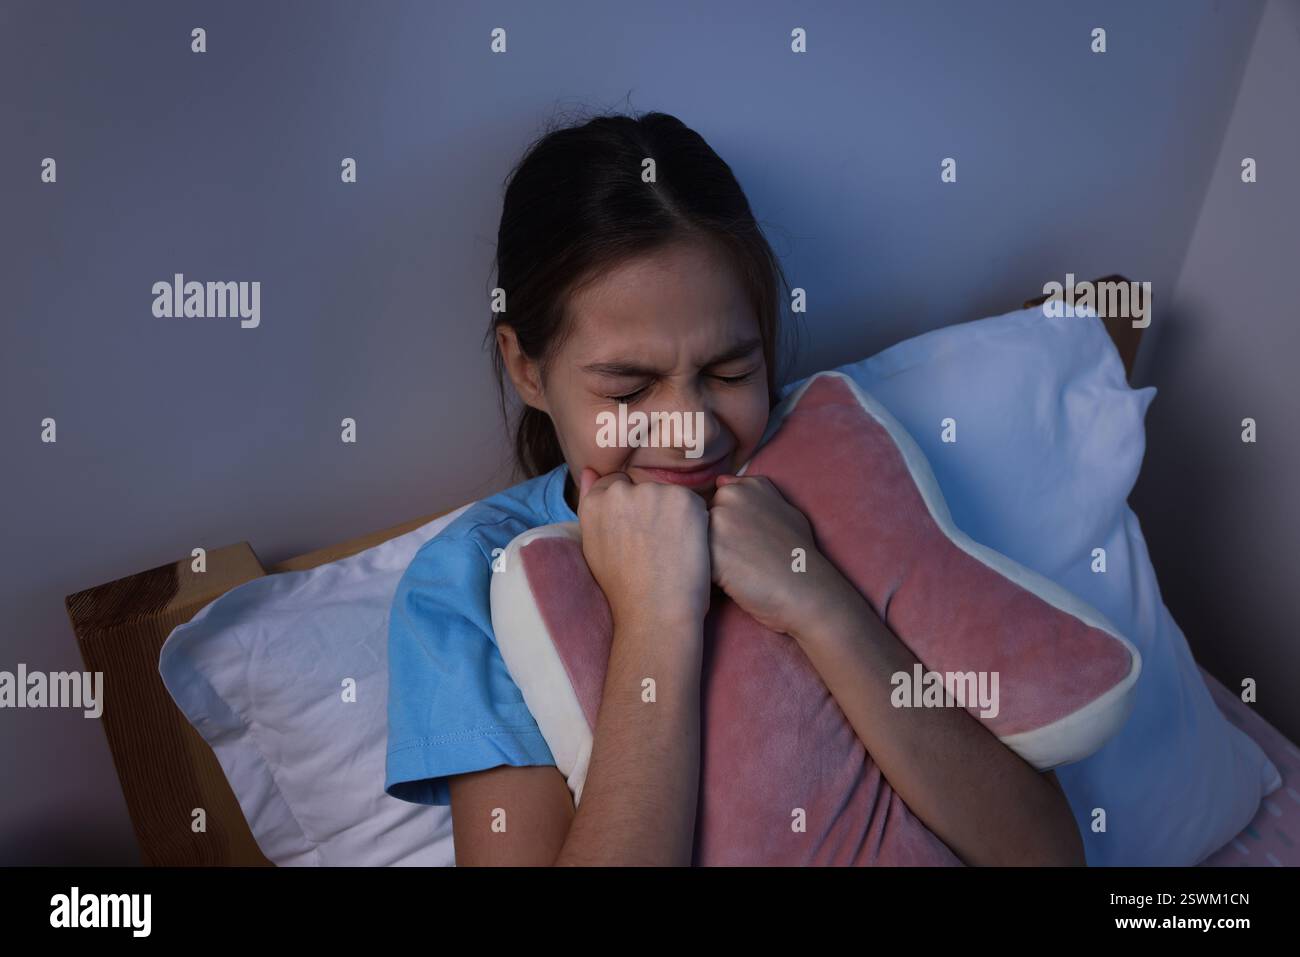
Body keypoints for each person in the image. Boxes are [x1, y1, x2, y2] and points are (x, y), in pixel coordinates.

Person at [385, 109, 1084, 866]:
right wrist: (654, 618)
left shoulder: (836, 463)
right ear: (527, 368)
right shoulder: (472, 582)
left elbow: (1046, 854)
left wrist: (817, 597)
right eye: (628, 387)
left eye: (729, 372)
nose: (690, 430)